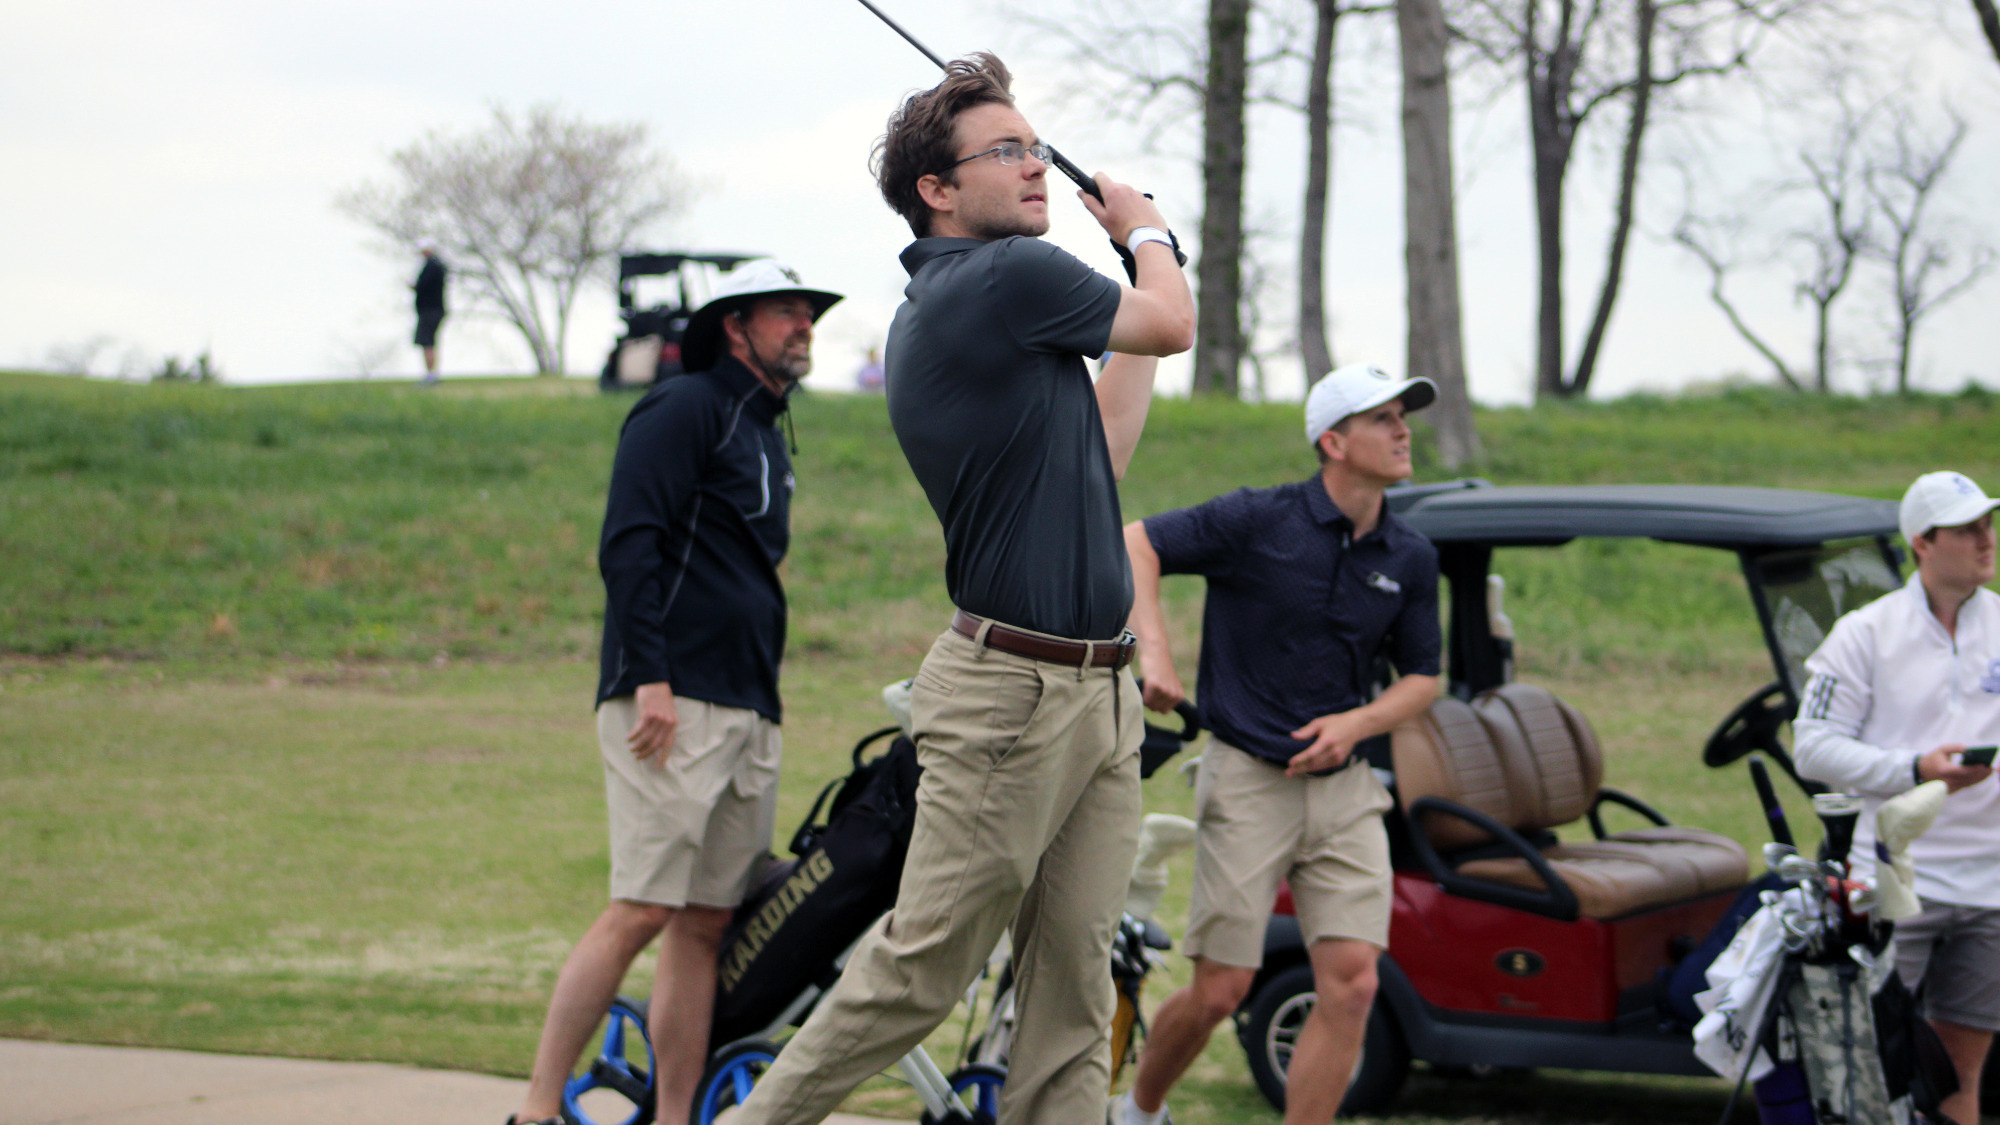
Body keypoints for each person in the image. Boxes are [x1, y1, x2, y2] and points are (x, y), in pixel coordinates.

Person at [731, 53, 1194, 1125]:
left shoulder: (1001, 310)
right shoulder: (999, 282)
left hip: (1099, 694)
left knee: (1072, 992)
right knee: (919, 974)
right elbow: (1167, 321)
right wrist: (1147, 238)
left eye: (1036, 147)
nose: (1034, 167)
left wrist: (1146, 257)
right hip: (1010, 698)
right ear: (935, 191)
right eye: (1005, 152)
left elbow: (1107, 441)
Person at [504, 260, 842, 1125]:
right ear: (736, 326)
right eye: (786, 313)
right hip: (671, 698)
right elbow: (628, 546)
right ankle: (537, 1109)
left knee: (703, 923)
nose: (803, 326)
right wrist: (649, 676)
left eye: (809, 315)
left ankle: (674, 1116)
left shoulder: (768, 430)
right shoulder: (682, 406)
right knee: (643, 907)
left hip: (748, 703)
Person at [1112, 363, 1444, 1125]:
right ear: (1333, 441)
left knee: (1354, 982)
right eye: (1383, 419)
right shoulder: (1257, 519)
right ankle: (1136, 1110)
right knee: (1221, 988)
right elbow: (1138, 543)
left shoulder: (1411, 556)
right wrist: (1153, 651)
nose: (1403, 431)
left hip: (1347, 787)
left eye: (1404, 417)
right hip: (1247, 778)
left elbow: (1423, 677)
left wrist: (1356, 724)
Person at [1794, 470, 2000, 1125]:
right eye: (1967, 528)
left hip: (1992, 887)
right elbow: (1813, 747)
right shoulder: (1865, 632)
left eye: (1987, 524)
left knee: (1961, 1075)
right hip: (1892, 881)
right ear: (1922, 542)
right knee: (1877, 1070)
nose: (1986, 539)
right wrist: (1913, 768)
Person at [412, 238, 447, 382]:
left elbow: (422, 285)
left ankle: (431, 375)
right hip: (434, 309)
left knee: (428, 343)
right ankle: (432, 374)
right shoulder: (438, 266)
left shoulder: (432, 266)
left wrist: (415, 287)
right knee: (430, 343)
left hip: (430, 310)